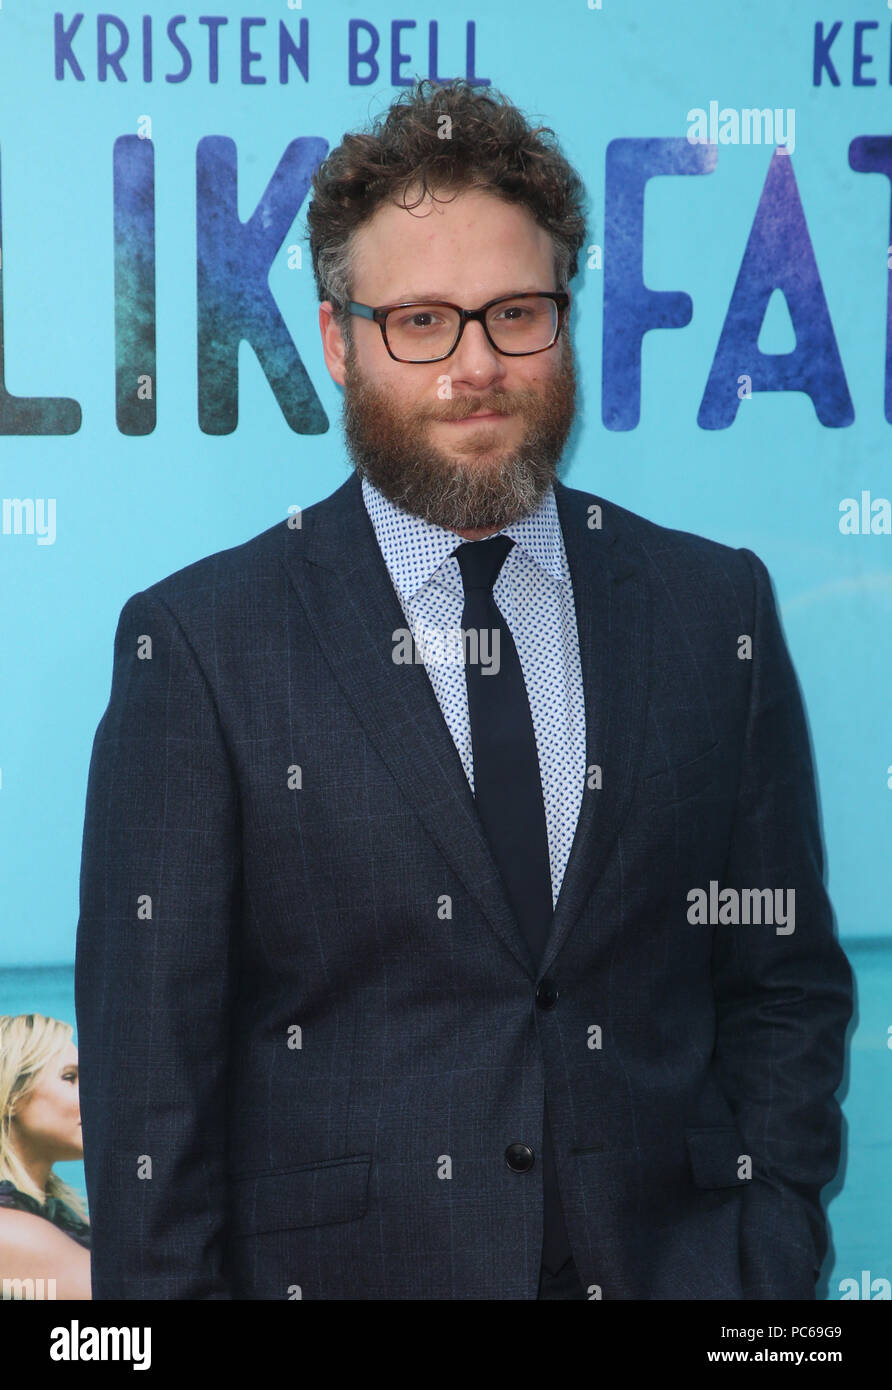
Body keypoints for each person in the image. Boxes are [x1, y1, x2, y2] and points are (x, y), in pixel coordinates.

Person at [74, 78, 853, 1300]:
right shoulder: (201, 648)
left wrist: (762, 1255)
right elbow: (150, 1095)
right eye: (421, 321)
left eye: (515, 312)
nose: (477, 364)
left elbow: (781, 978)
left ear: (566, 316)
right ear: (339, 341)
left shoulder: (715, 614)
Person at [0, 1014, 92, 1298]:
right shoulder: (7, 1232)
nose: (91, 1095)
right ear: (12, 1097)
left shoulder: (58, 1214)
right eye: (70, 1078)